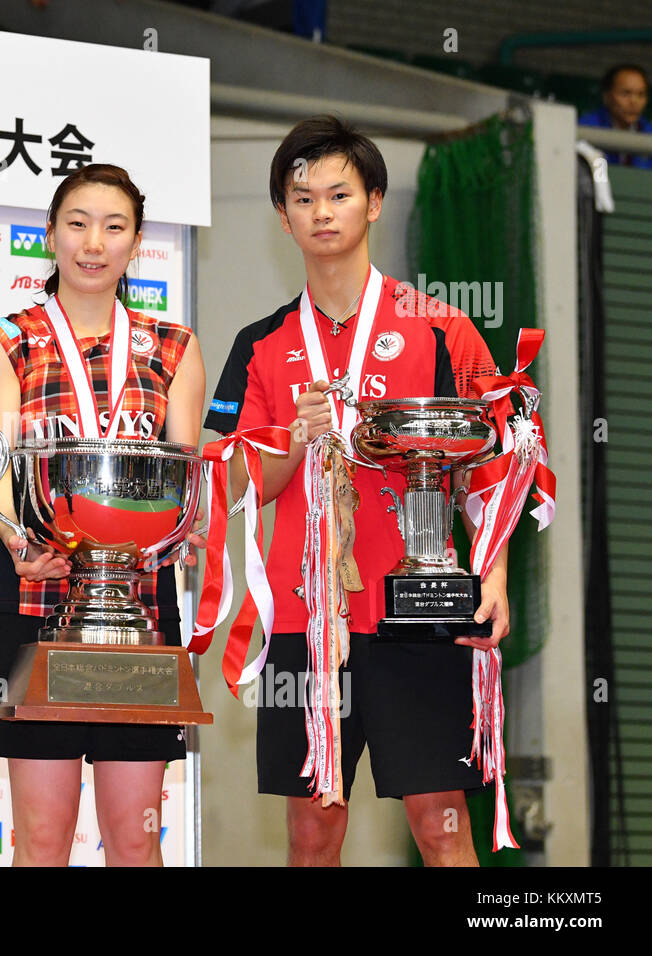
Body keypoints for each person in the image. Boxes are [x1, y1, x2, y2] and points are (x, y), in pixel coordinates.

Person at [207, 115, 510, 866]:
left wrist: (495, 576)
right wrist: (297, 437)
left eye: (338, 193)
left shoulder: (441, 327)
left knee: (440, 820)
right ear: (283, 216)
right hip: (307, 619)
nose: (321, 211)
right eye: (302, 198)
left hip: (422, 606)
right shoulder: (262, 343)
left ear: (373, 201)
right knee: (313, 831)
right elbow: (237, 481)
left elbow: (493, 462)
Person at [0, 164, 206, 866]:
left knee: (136, 838)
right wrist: (16, 541)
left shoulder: (173, 348)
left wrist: (183, 538)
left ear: (137, 244)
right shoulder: (6, 339)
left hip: (141, 607)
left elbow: (181, 473)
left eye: (113, 226)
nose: (93, 242)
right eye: (76, 223)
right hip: (33, 597)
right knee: (41, 839)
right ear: (49, 235)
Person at [579, 64, 652, 169]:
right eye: (626, 93)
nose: (634, 101)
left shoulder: (649, 133)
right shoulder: (585, 129)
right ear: (607, 96)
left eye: (641, 94)